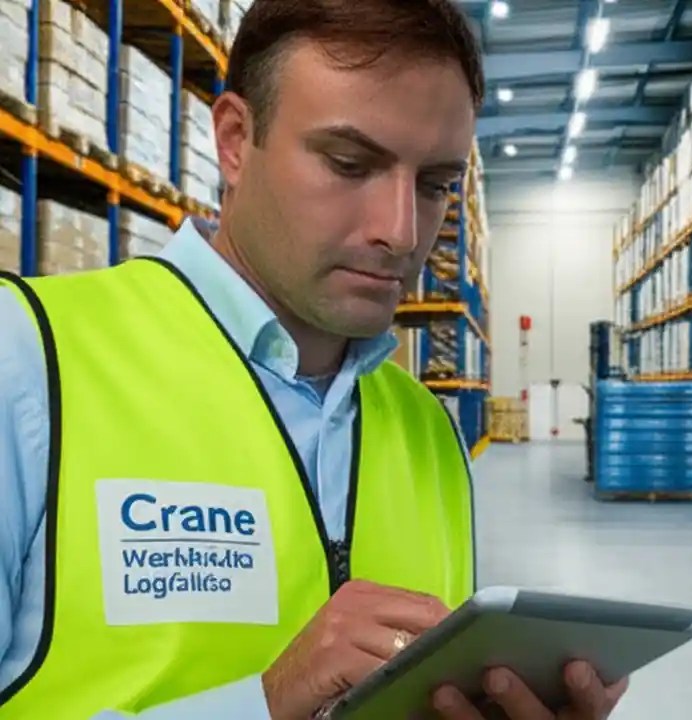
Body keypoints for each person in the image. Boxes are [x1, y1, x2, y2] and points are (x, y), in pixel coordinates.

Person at [0, 1, 627, 718]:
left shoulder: (430, 433)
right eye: (349, 164)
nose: (401, 231)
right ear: (235, 141)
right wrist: (262, 705)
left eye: (435, 186)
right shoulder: (29, 362)